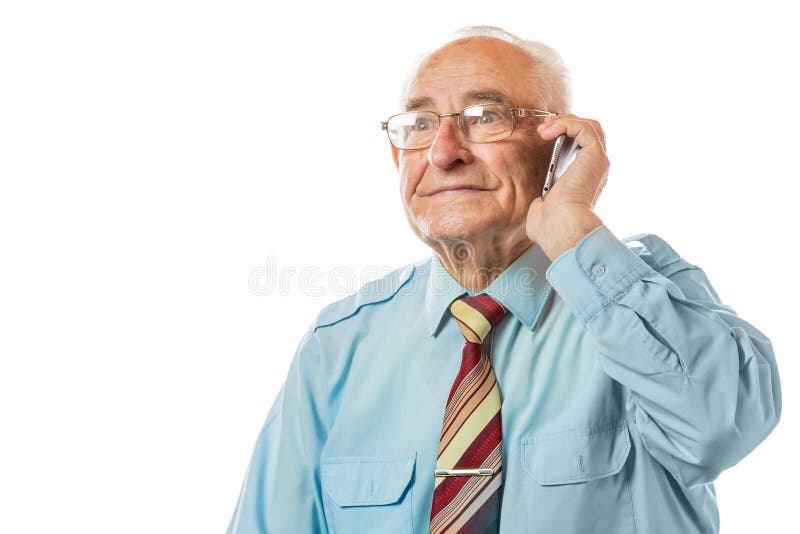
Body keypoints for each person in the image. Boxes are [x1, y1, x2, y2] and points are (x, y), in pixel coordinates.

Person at [226, 26, 781, 534]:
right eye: (420, 126)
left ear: (560, 146)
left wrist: (577, 233)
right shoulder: (339, 345)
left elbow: (722, 427)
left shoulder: (642, 295)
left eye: (484, 117)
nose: (443, 153)